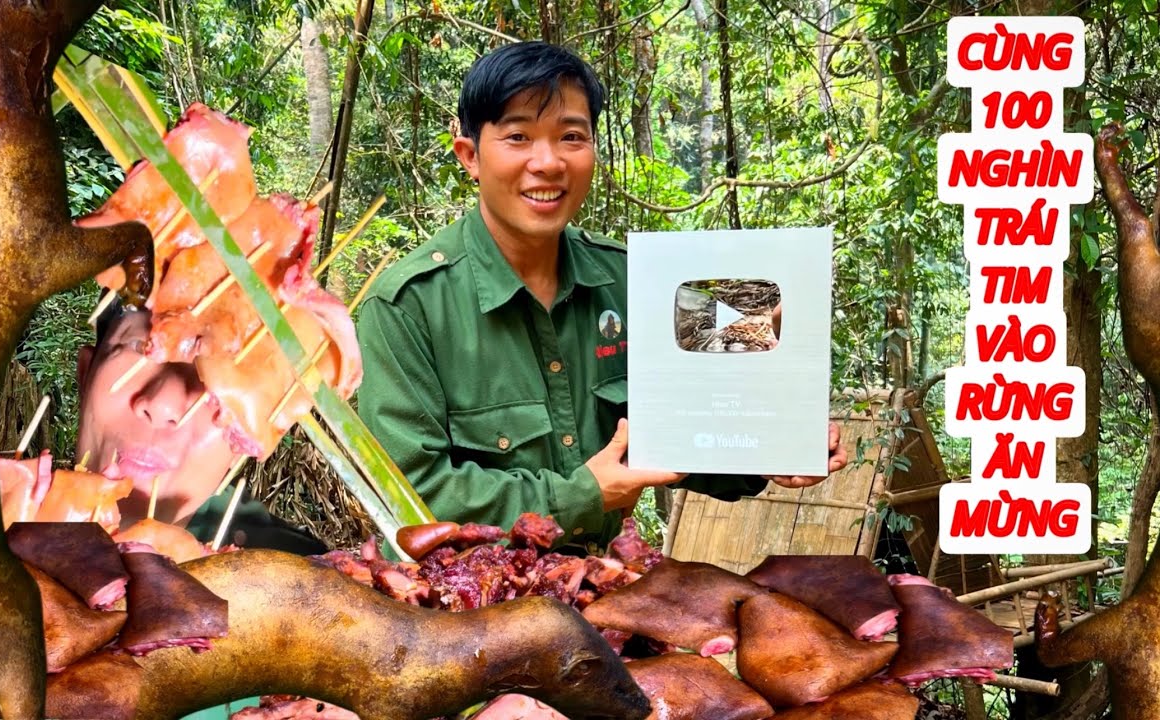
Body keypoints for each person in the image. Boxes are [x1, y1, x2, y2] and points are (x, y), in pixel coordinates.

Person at [356, 42, 846, 553]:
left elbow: (685, 430)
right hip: (461, 608)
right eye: (518, 136)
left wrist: (769, 445)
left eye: (571, 136)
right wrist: (582, 495)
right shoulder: (406, 308)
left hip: (595, 593)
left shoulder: (631, 280)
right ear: (471, 156)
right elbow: (409, 498)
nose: (547, 162)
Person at [75, 299, 327, 555]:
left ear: (248, 436)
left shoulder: (303, 581)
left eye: (221, 375)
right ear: (85, 375)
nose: (162, 405)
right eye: (141, 346)